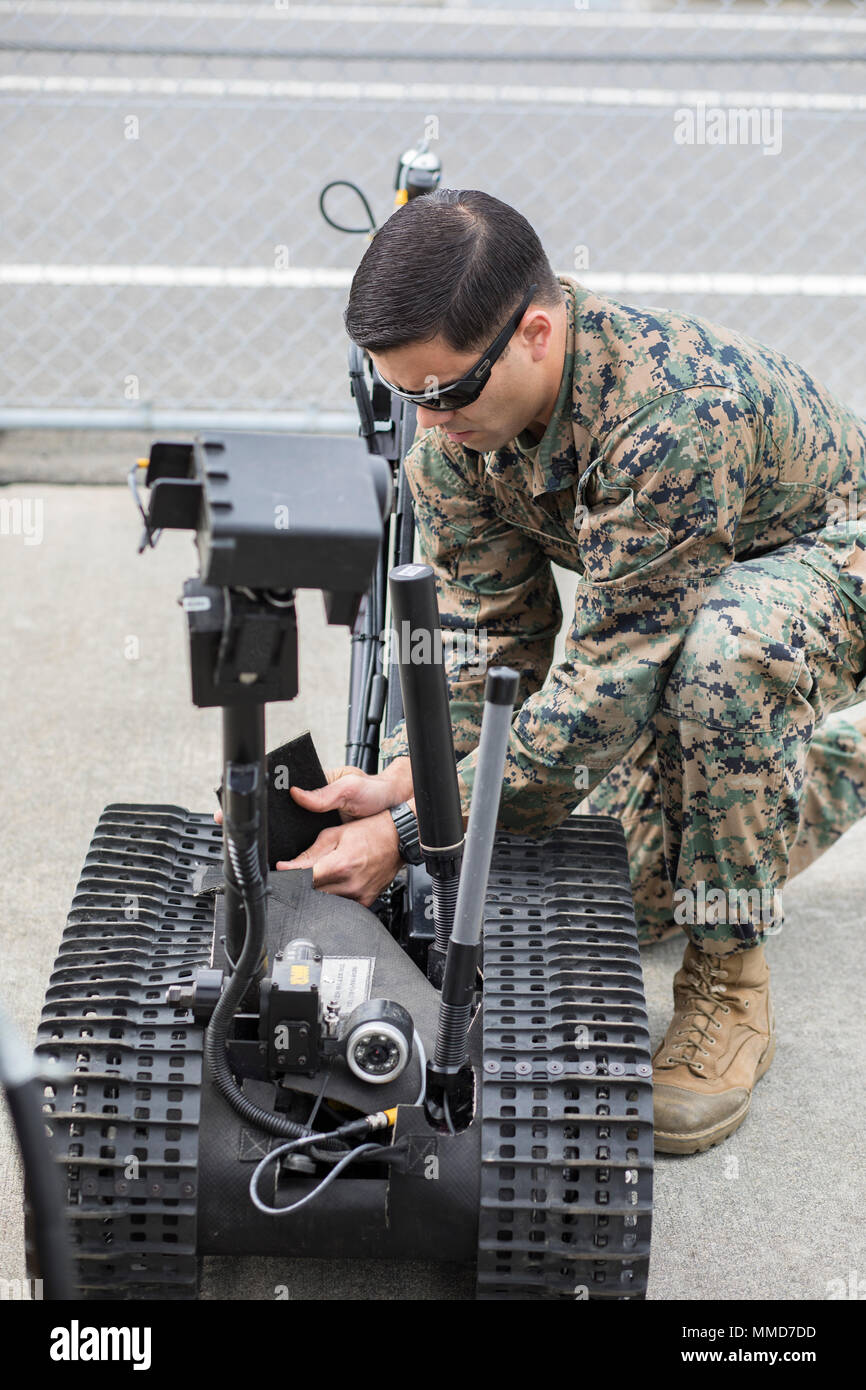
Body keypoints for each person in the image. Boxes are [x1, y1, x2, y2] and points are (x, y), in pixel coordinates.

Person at [278, 187, 866, 1154]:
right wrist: (392, 779)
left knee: (724, 660)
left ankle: (732, 987)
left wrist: (417, 821)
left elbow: (603, 689)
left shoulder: (672, 417)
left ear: (538, 333)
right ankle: (828, 769)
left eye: (446, 392)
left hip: (826, 573)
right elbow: (489, 648)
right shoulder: (454, 438)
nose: (429, 421)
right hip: (687, 598)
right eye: (403, 394)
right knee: (618, 895)